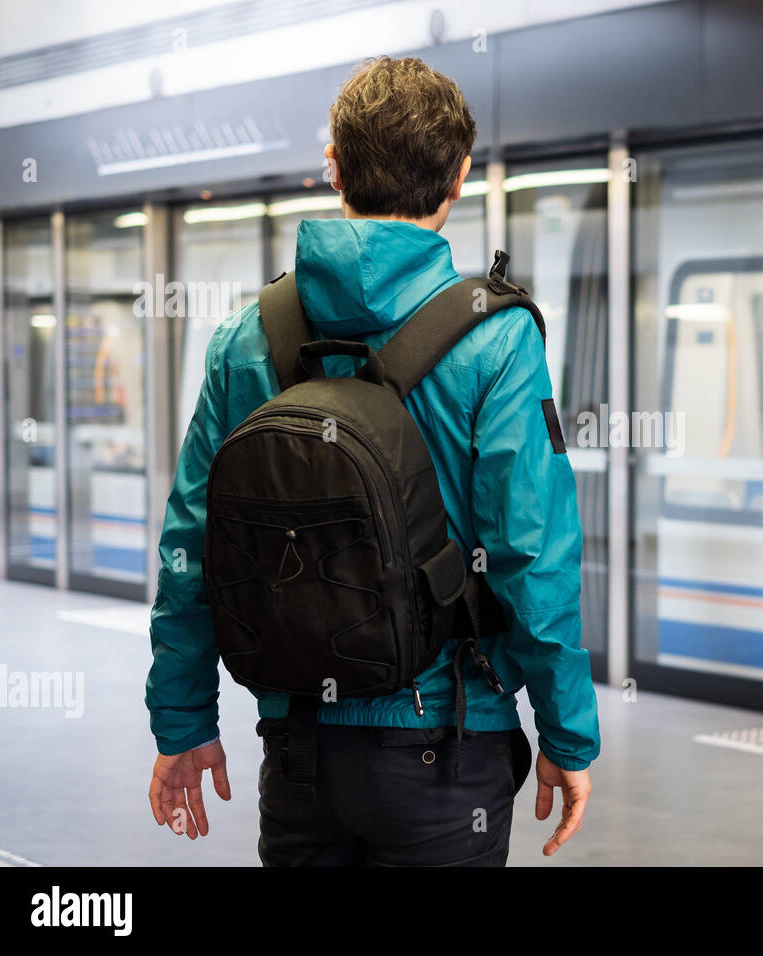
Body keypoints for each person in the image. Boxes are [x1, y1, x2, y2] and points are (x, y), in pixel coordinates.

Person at [144, 55, 599, 866]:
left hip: (298, 754)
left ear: (335, 169)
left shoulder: (247, 339)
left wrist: (184, 722)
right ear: (459, 178)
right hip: (448, 743)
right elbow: (532, 553)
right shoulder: (496, 341)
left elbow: (191, 545)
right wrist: (567, 733)